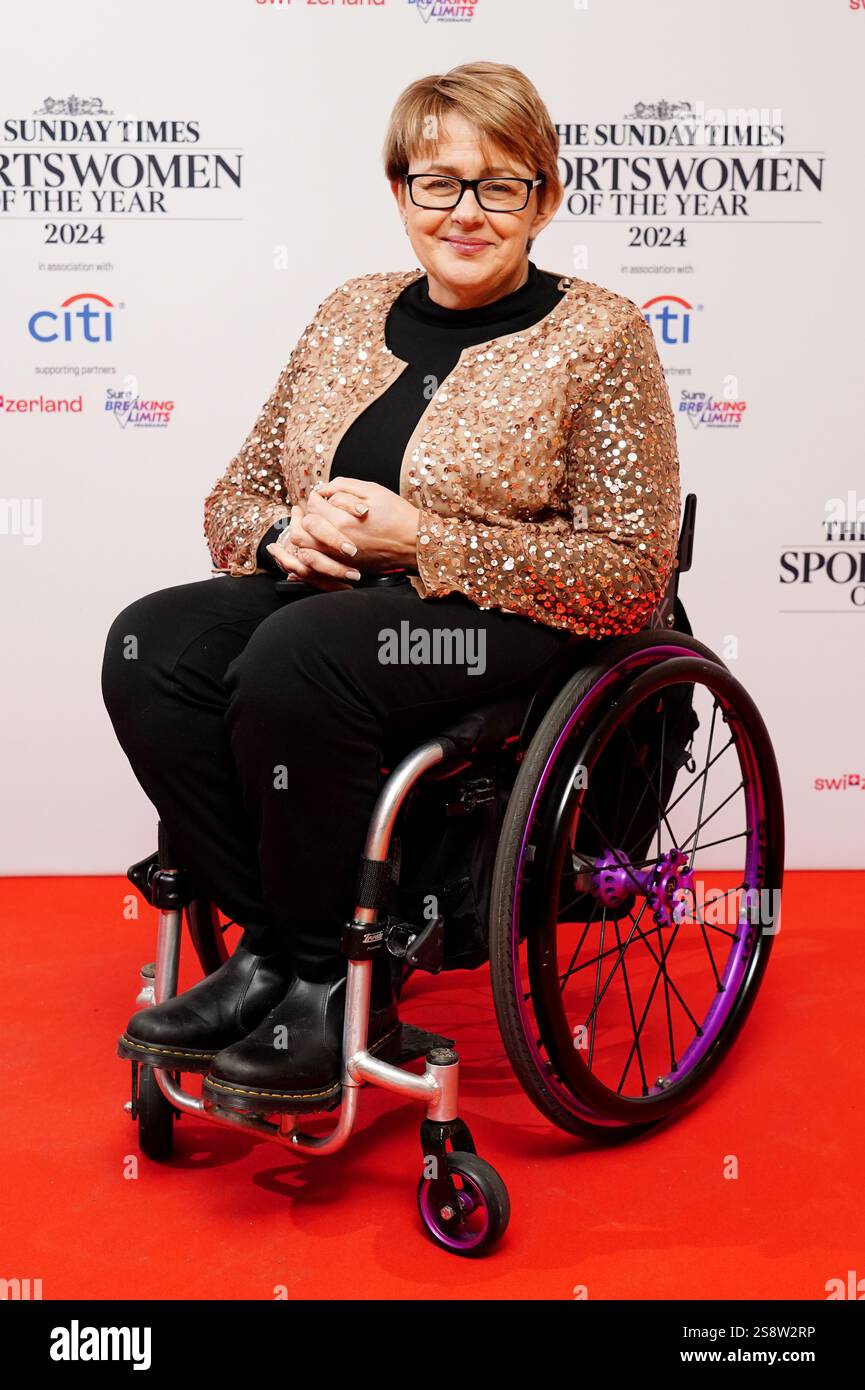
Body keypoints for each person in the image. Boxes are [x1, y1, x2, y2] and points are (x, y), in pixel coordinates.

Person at [101, 61, 680, 1113]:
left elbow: (630, 571)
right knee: (152, 646)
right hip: (333, 609)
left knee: (295, 657)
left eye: (498, 184)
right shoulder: (348, 312)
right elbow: (236, 494)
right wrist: (284, 536)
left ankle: (328, 983)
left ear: (544, 199)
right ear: (400, 193)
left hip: (504, 622)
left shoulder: (600, 337)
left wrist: (424, 538)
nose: (465, 211)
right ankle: (274, 955)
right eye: (436, 183)